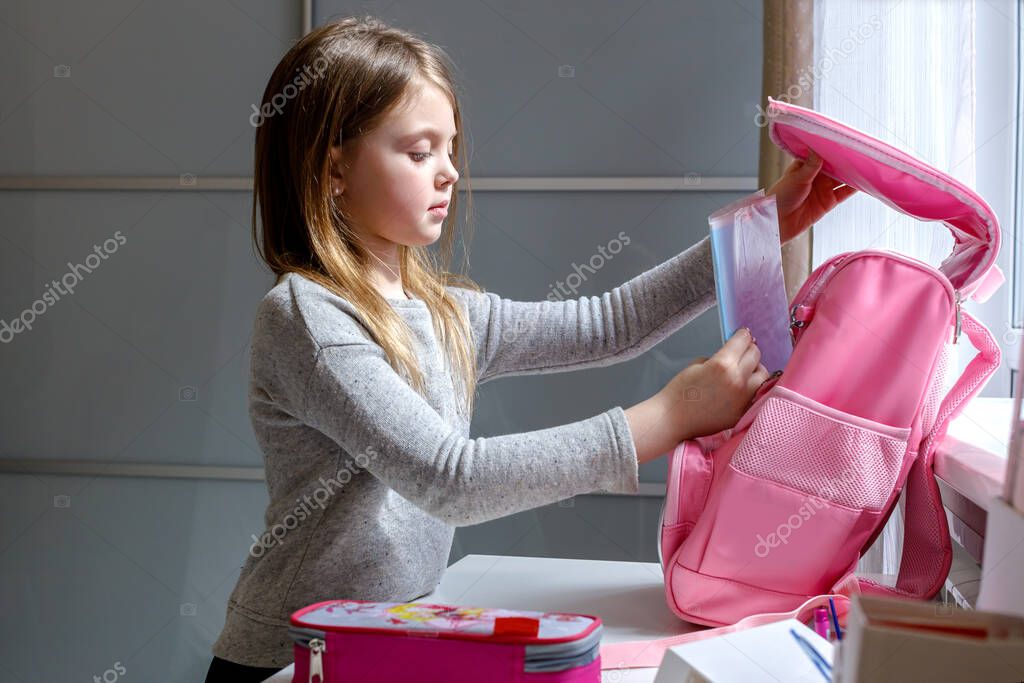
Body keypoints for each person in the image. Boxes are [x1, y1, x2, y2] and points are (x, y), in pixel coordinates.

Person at [206, 16, 854, 681]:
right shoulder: (307, 319)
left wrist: (761, 227)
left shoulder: (445, 314)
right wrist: (671, 416)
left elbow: (610, 323)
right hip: (286, 661)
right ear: (334, 167)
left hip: (384, 638)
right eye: (419, 150)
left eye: (450, 148)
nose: (449, 173)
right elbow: (451, 480)